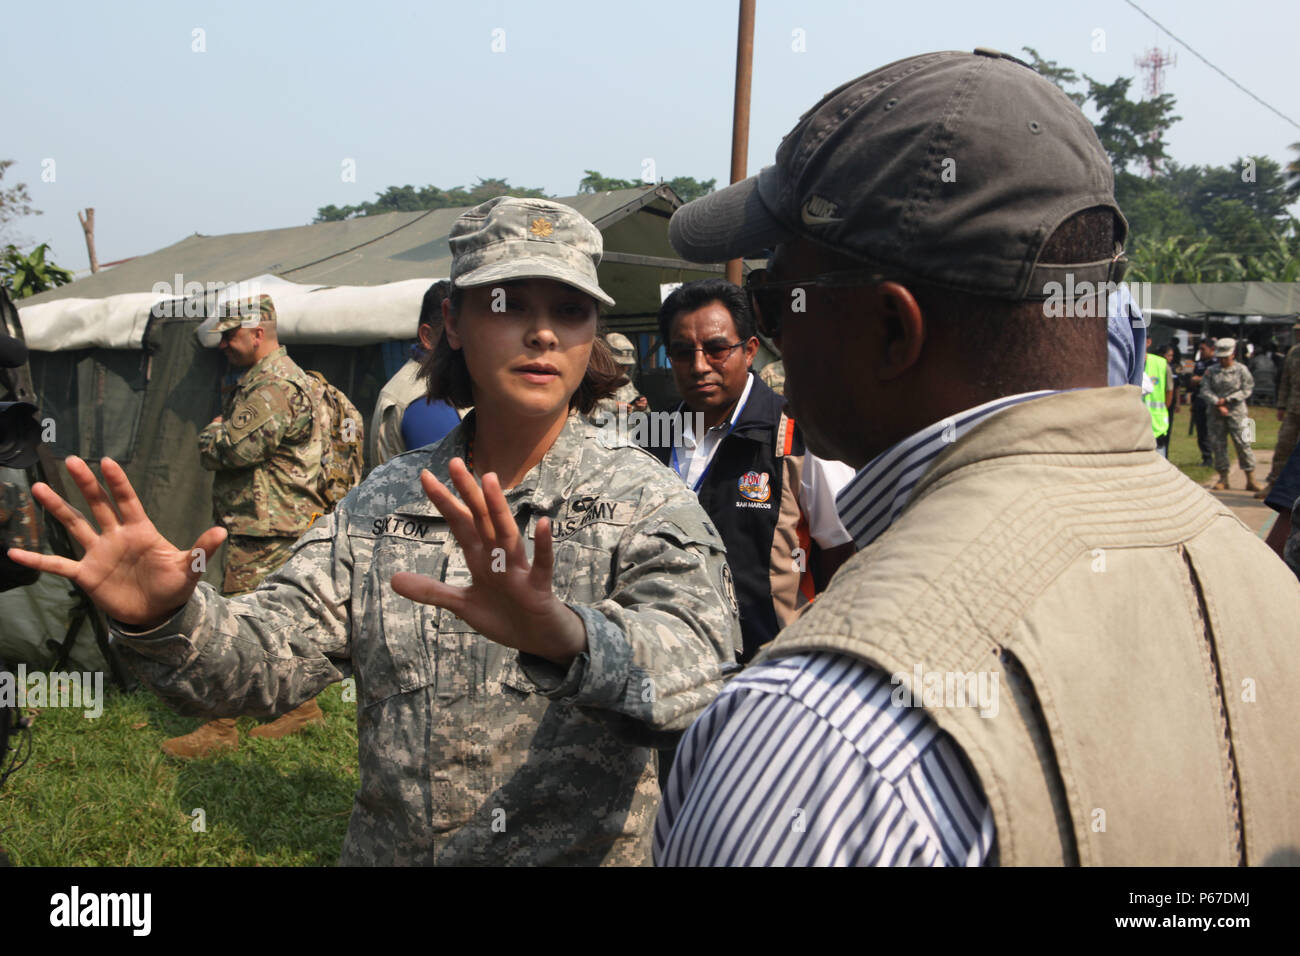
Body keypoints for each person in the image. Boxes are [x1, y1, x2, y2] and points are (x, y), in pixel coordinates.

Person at [654, 48, 1300, 866]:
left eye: (779, 303)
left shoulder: (826, 741)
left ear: (893, 329)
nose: (771, 341)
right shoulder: (1268, 589)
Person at [8, 196, 738, 865]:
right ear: (452, 321)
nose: (543, 331)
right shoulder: (385, 501)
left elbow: (705, 680)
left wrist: (570, 637)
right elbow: (263, 663)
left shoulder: (643, 499)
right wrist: (171, 616)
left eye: (571, 310)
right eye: (507, 303)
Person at [162, 295, 329, 757]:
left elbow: (233, 449)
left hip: (263, 525)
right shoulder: (298, 379)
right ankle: (301, 706)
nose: (224, 346)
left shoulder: (271, 386)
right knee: (285, 617)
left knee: (235, 624)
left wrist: (211, 432)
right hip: (286, 520)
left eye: (231, 336)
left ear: (258, 334)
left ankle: (219, 727)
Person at [653, 278, 854, 662]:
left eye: (716, 350)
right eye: (681, 352)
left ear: (749, 351)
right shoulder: (649, 439)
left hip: (772, 676)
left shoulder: (801, 436)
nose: (699, 366)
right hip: (668, 673)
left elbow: (843, 554)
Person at [370, 280, 462, 466]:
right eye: (452, 332)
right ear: (427, 336)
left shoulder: (425, 382)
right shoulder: (429, 402)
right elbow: (450, 484)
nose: (462, 342)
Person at [1202, 337, 1259, 492]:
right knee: (1218, 445)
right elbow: (1205, 390)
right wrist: (1217, 402)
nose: (1223, 360)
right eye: (1220, 357)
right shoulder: (1211, 371)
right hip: (1215, 413)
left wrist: (1227, 400)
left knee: (1244, 444)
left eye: (1226, 357)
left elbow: (1247, 389)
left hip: (1237, 412)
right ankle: (1223, 478)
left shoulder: (1241, 370)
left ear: (1232, 354)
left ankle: (1250, 478)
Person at [1258, 321, 1300, 499]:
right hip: (1293, 408)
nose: (1298, 335)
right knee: (1283, 446)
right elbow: (1285, 381)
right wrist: (1281, 406)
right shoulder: (1293, 352)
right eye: (1297, 332)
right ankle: (1274, 484)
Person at [1142, 336, 1172, 457]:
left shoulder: (1161, 364)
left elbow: (1169, 390)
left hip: (1156, 424)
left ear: (1148, 342)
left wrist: (1164, 409)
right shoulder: (1124, 361)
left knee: (1159, 459)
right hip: (1132, 424)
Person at [1189, 337, 1217, 467]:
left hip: (1212, 401)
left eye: (1203, 349)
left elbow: (1214, 381)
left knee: (1213, 431)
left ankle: (1218, 457)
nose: (1200, 351)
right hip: (1199, 400)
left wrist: (1200, 379)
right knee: (1201, 431)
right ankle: (1206, 458)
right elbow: (1192, 381)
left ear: (1212, 349)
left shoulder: (1216, 363)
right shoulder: (1199, 363)